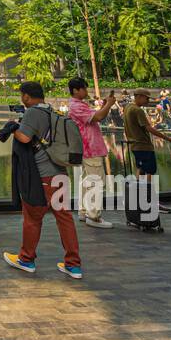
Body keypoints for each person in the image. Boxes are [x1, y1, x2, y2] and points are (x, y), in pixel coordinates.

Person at [2, 81, 84, 279]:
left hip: (43, 174)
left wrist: (13, 127)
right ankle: (73, 265)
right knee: (64, 218)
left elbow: (24, 138)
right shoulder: (51, 111)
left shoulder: (32, 113)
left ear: (27, 96)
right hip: (60, 173)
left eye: (22, 95)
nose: (22, 99)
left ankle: (26, 259)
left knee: (32, 217)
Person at [66, 77, 118, 229]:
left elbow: (96, 115)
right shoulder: (76, 106)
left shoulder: (78, 105)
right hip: (90, 148)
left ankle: (84, 211)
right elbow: (98, 117)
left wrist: (105, 105)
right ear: (76, 90)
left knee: (87, 181)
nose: (86, 91)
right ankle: (94, 216)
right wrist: (109, 104)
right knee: (95, 181)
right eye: (84, 88)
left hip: (87, 148)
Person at [123, 89, 171, 214]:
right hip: (143, 146)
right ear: (138, 97)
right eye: (146, 98)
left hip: (135, 146)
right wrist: (168, 138)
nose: (148, 101)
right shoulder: (137, 110)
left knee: (141, 172)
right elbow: (148, 128)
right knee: (149, 173)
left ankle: (141, 200)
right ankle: (151, 202)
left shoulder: (128, 107)